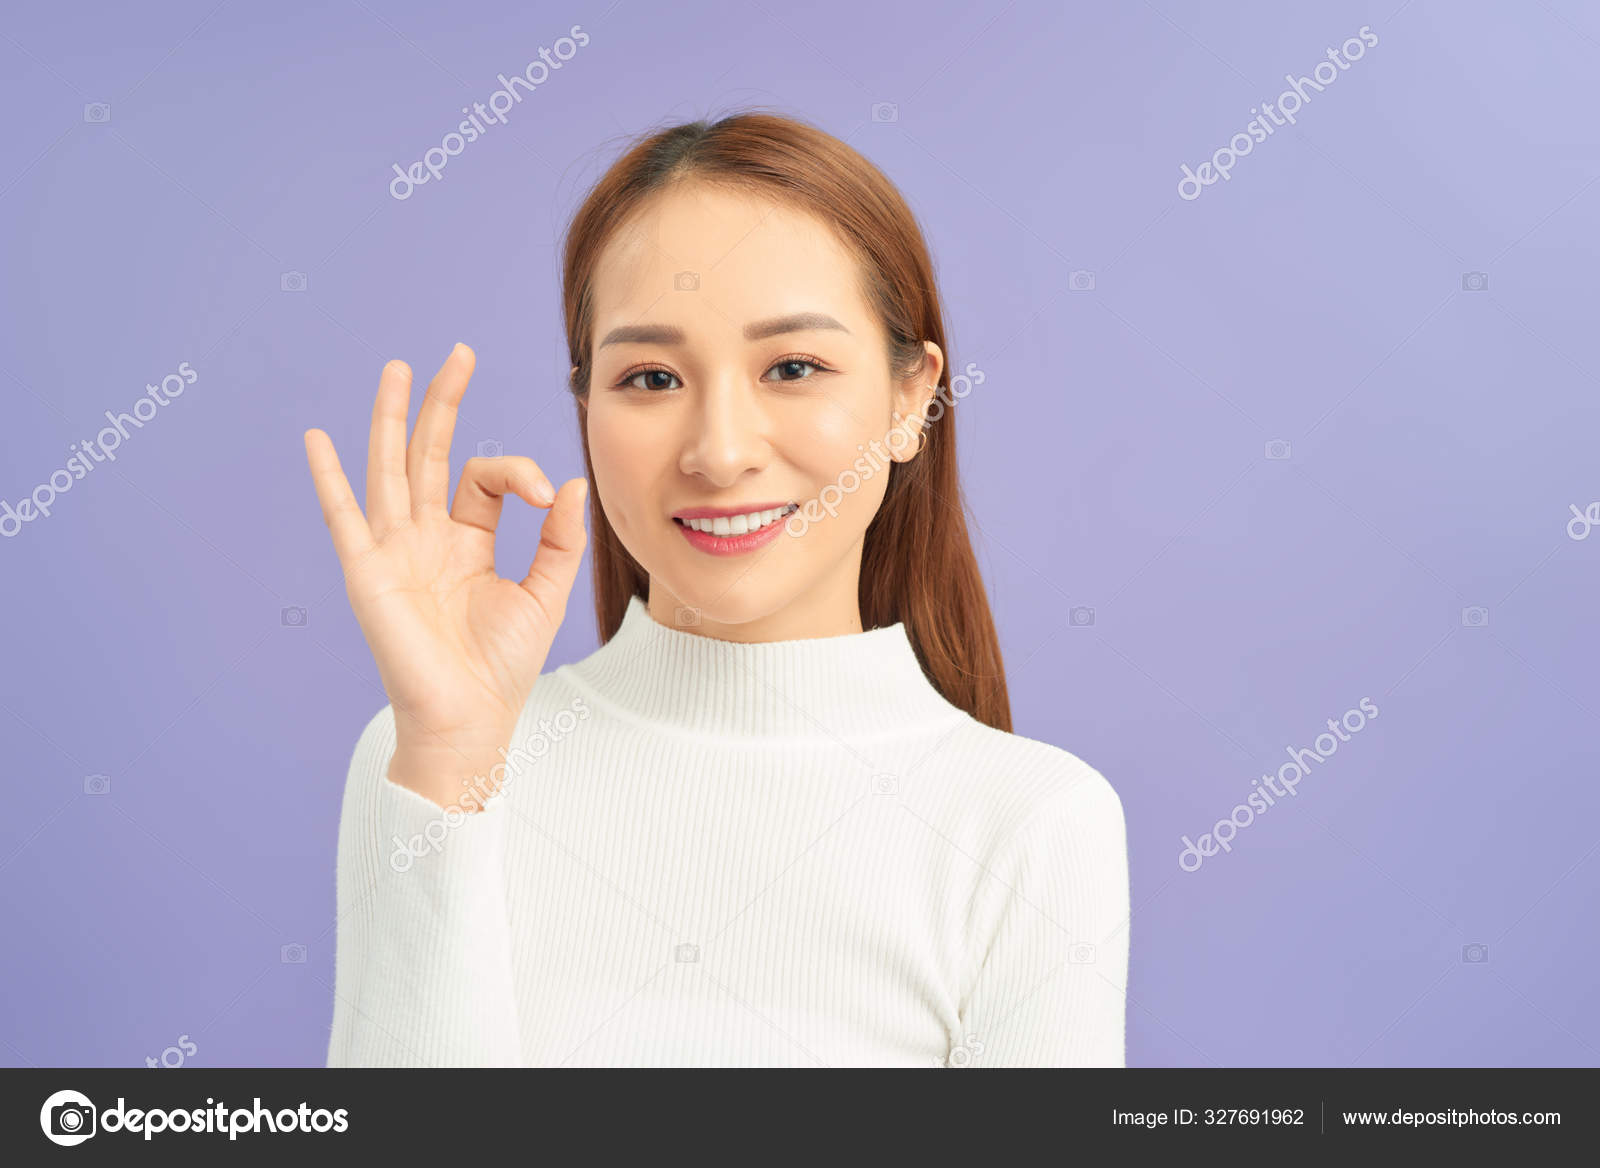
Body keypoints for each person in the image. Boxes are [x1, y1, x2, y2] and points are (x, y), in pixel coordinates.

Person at [303, 111, 1129, 1067]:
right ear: (586, 407)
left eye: (793, 367)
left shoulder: (1030, 825)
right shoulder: (434, 758)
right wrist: (448, 758)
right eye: (651, 377)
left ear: (911, 399)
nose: (720, 451)